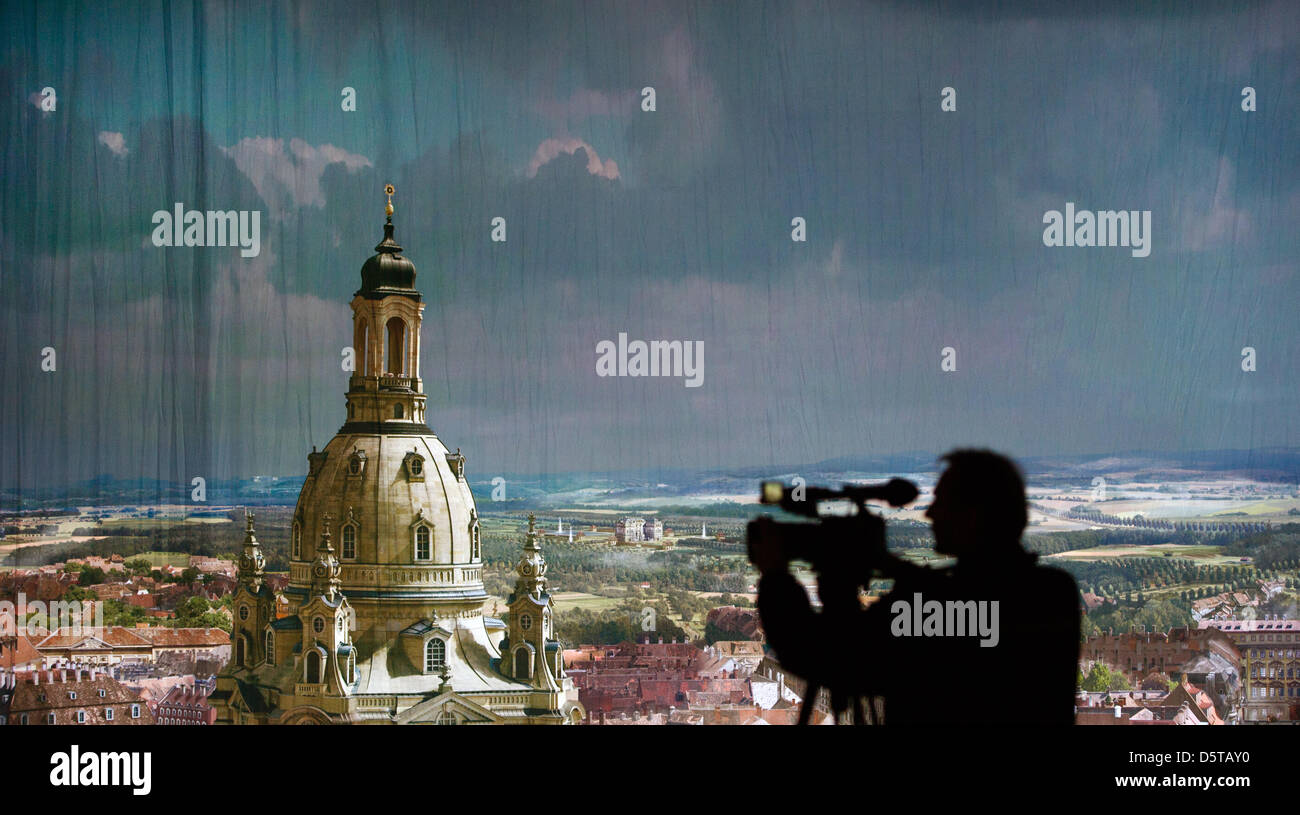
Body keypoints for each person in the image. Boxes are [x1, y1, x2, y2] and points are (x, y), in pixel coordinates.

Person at [752, 449, 1080, 724]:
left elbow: (823, 656)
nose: (931, 514)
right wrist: (886, 564)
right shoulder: (1052, 592)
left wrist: (775, 575)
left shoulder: (934, 606)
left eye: (943, 503)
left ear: (975, 515)